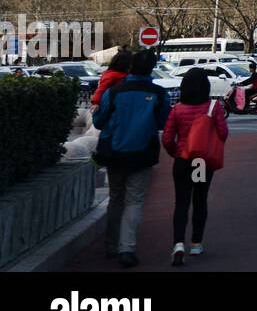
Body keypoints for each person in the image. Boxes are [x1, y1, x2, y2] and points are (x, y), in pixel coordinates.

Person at [92, 50, 170, 267]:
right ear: (152, 67)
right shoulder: (159, 94)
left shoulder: (114, 92)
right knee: (135, 200)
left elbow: (98, 121)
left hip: (114, 152)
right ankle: (127, 248)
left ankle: (111, 243)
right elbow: (163, 122)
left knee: (116, 197)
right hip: (143, 152)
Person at [162, 68, 228, 266]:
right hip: (201, 161)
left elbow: (166, 138)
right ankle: (196, 242)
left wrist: (176, 152)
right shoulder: (213, 107)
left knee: (181, 202)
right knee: (199, 199)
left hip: (182, 159)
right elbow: (223, 132)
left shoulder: (177, 109)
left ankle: (178, 243)